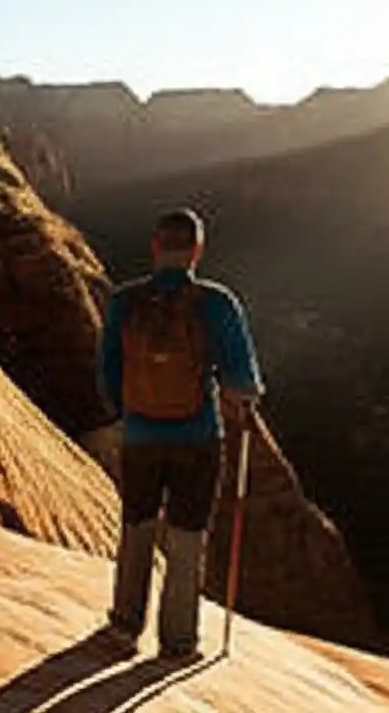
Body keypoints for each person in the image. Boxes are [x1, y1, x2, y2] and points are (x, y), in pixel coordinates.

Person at [97, 207, 264, 661]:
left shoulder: (123, 302)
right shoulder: (216, 302)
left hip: (139, 438)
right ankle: (178, 641)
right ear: (196, 251)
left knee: (137, 528)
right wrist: (244, 403)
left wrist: (127, 411)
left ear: (155, 247)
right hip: (197, 437)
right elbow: (241, 380)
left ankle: (125, 625)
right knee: (187, 536)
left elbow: (109, 369)